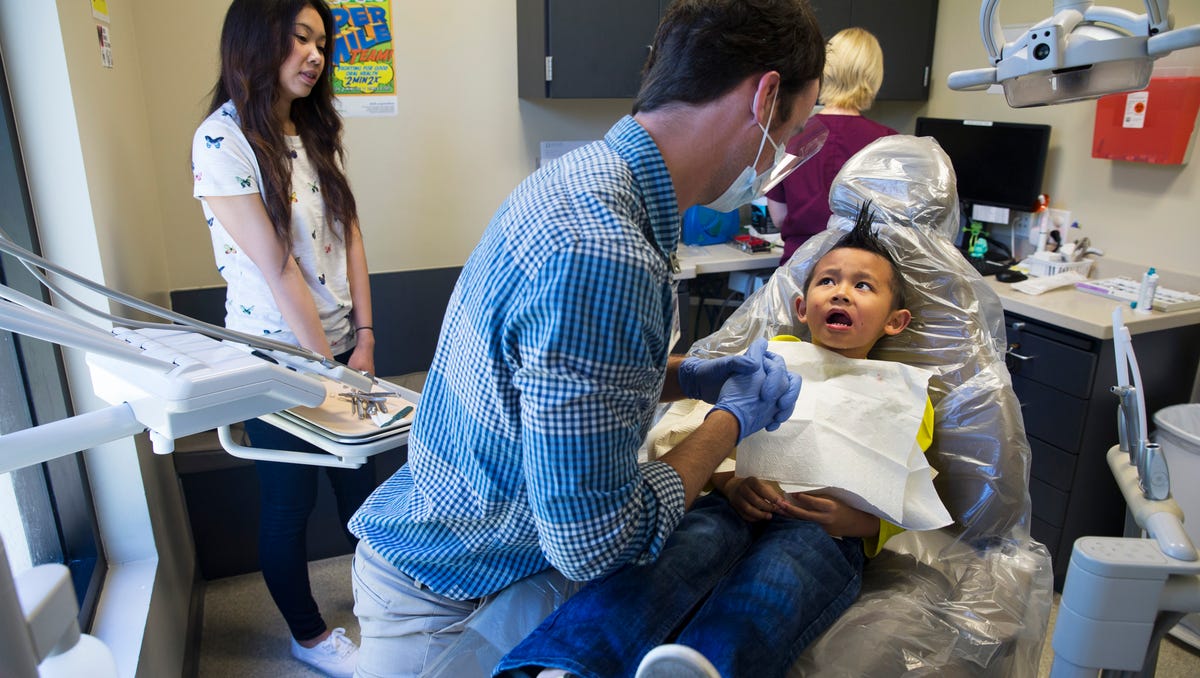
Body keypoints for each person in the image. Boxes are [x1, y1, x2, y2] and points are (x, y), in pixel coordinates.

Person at [345, 1, 824, 675]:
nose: (779, 161)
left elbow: (555, 380)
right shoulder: (603, 248)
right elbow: (594, 544)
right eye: (792, 131)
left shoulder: (590, 182)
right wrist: (728, 424)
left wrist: (687, 375)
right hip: (452, 604)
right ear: (765, 96)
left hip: (455, 544)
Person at [497, 204, 932, 678]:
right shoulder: (771, 358)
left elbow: (905, 494)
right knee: (674, 560)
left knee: (770, 590)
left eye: (862, 286)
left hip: (824, 532)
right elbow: (695, 434)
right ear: (802, 308)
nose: (842, 293)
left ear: (896, 321)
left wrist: (859, 522)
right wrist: (729, 482)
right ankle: (568, 665)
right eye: (827, 281)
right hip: (732, 506)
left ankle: (709, 668)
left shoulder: (904, 394)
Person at [191, 1, 374, 675]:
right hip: (274, 359)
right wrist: (326, 373)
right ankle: (308, 635)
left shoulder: (315, 130)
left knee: (364, 488)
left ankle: (387, 597)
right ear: (257, 39)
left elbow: (350, 233)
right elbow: (278, 267)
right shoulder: (222, 142)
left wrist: (366, 341)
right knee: (289, 502)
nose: (316, 53)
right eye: (301, 38)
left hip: (339, 350)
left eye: (322, 41)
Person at [767, 27, 897, 263]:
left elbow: (778, 217)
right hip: (861, 277)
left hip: (799, 272)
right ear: (873, 76)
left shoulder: (793, 136)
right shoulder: (888, 143)